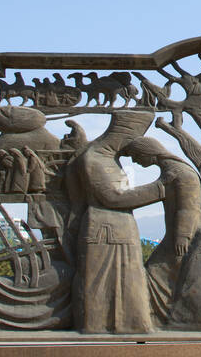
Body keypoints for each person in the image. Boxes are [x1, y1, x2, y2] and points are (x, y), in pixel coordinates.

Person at [66, 111, 165, 333]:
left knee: (130, 282)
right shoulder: (93, 158)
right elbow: (112, 197)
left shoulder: (108, 158)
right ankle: (98, 327)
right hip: (105, 231)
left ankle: (131, 326)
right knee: (101, 284)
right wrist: (159, 188)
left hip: (120, 229)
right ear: (122, 134)